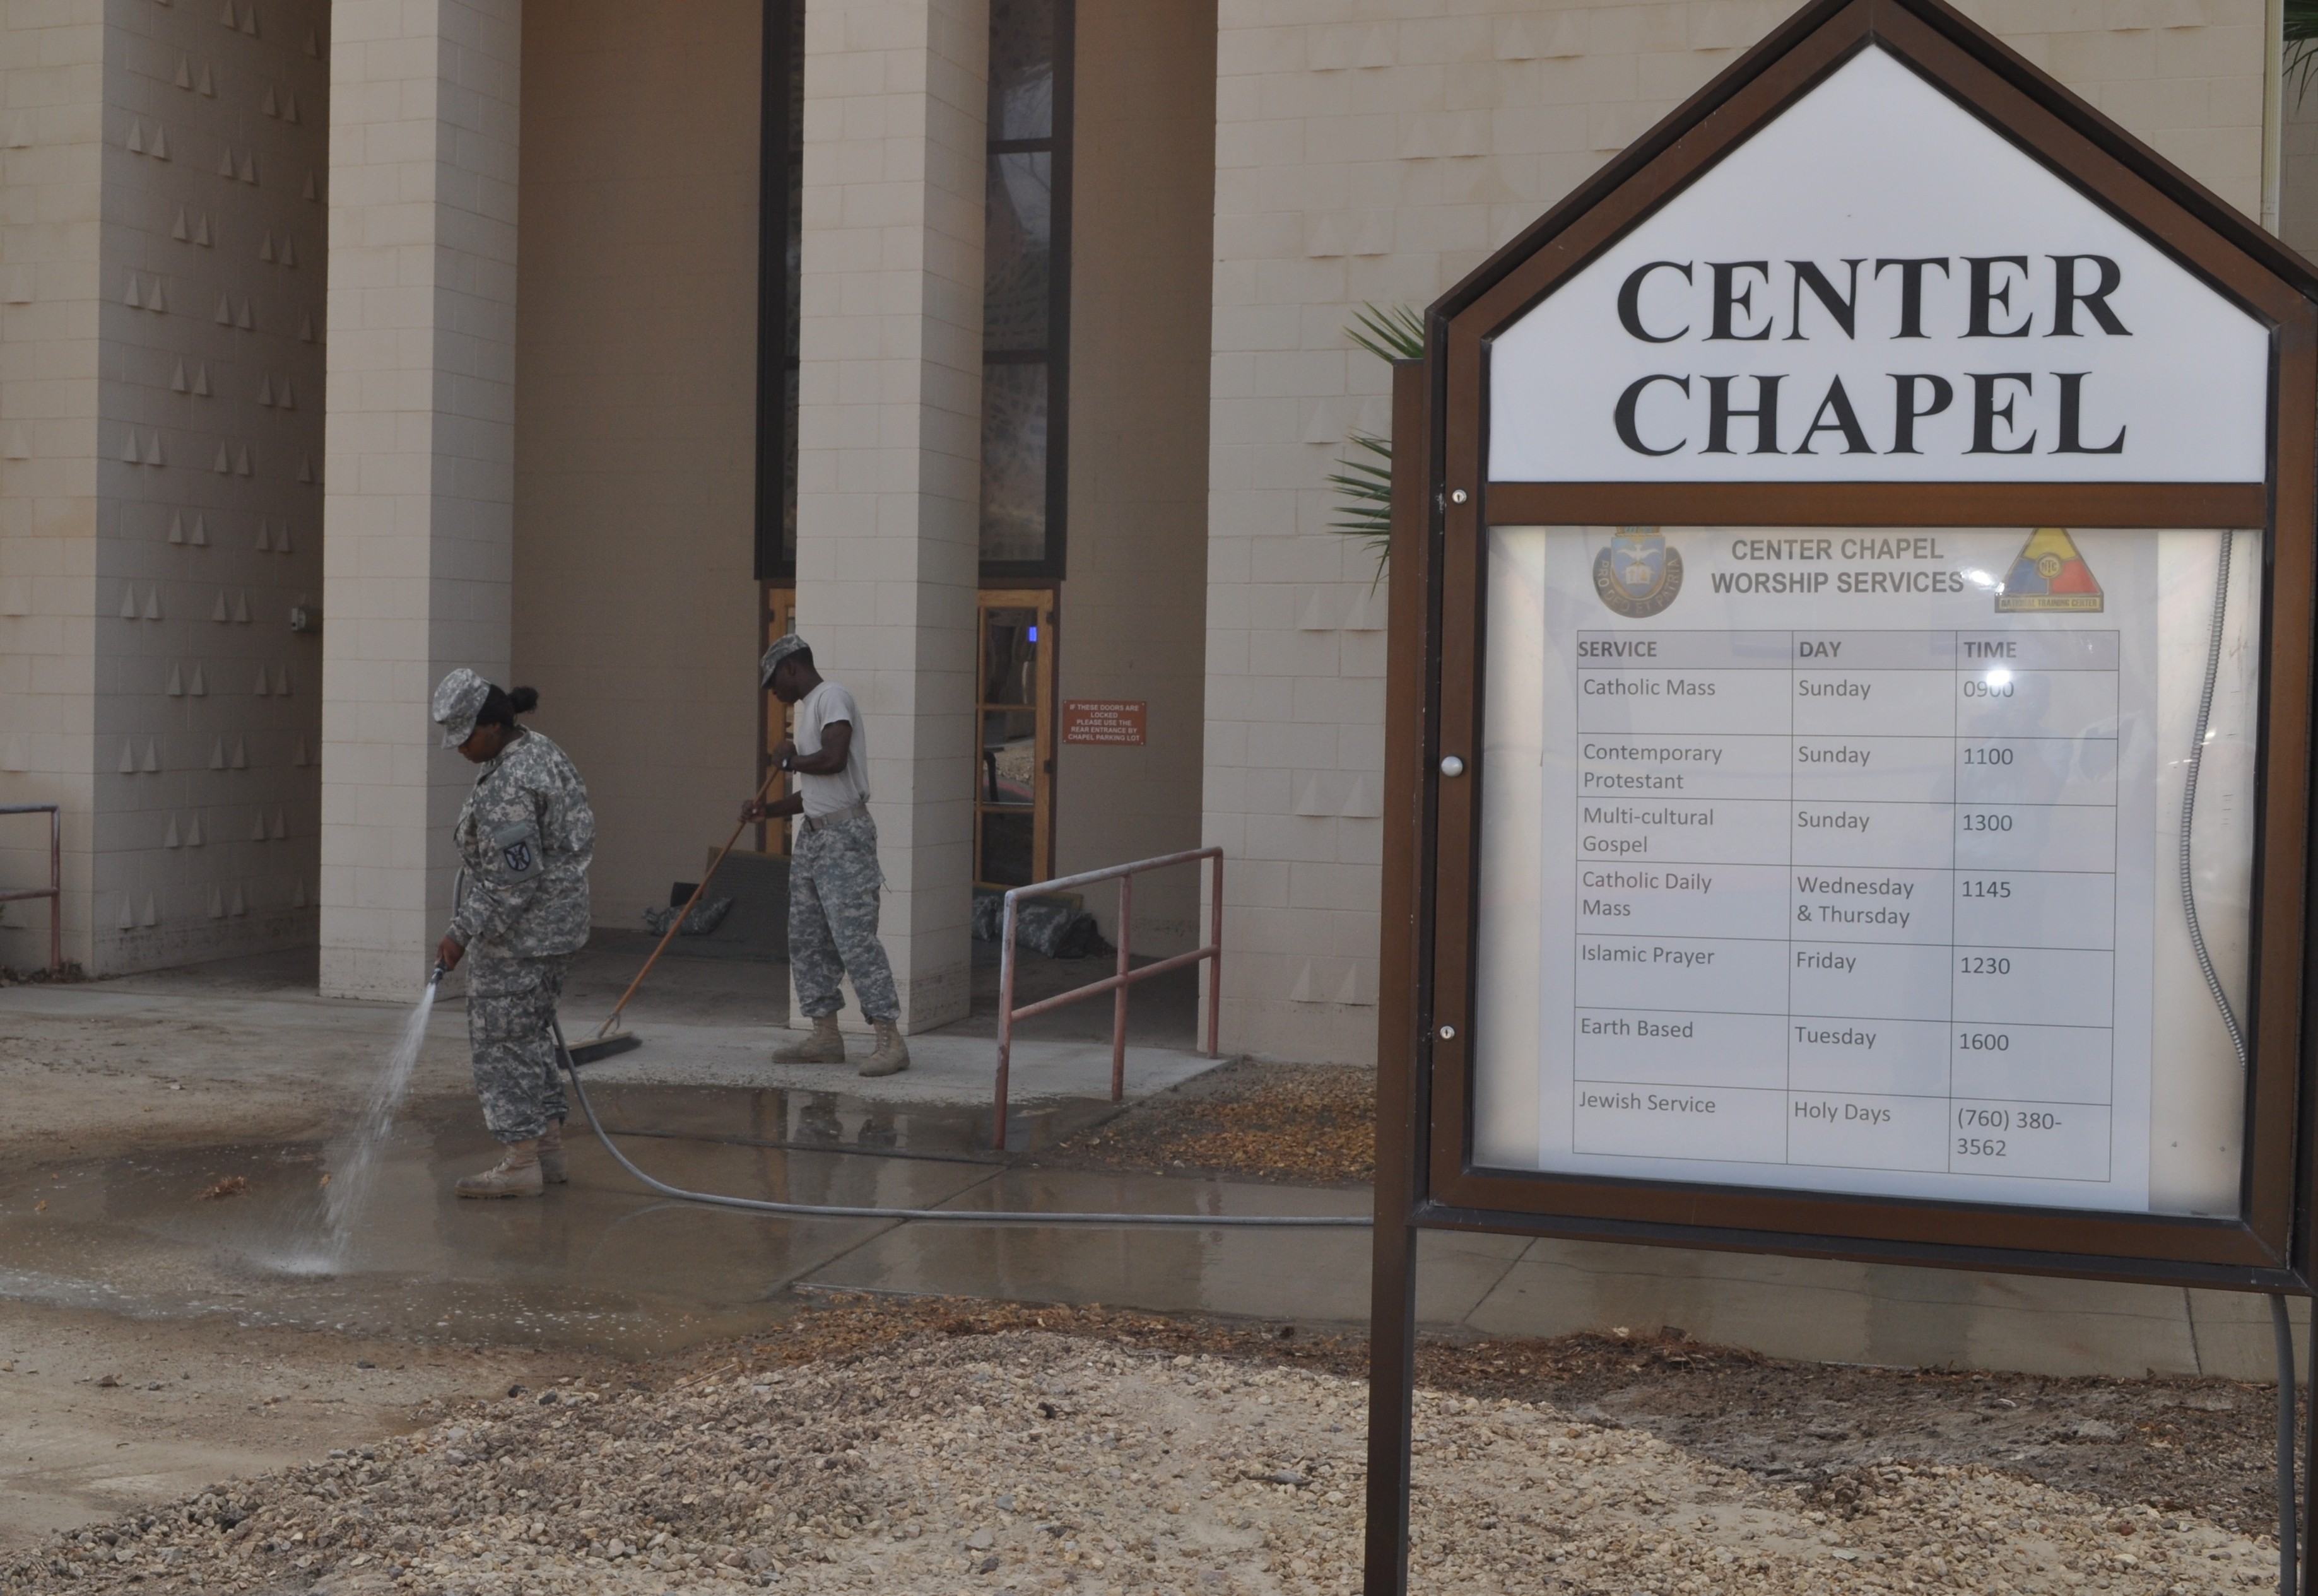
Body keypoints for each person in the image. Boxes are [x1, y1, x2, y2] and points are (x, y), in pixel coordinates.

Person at [430, 669, 597, 1198]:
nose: (459, 750)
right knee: (528, 1037)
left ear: (495, 725)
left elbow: (512, 881)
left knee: (502, 1041)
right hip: (556, 928)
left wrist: (460, 933)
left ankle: (522, 1159)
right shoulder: (540, 750)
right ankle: (546, 1152)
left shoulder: (508, 782)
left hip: (522, 933)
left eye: (465, 737)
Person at [742, 634, 909, 1076]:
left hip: (844, 839)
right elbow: (816, 794)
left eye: (773, 682)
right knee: (807, 937)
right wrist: (769, 810)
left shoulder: (831, 696)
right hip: (815, 838)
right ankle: (825, 1035)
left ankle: (891, 1039)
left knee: (854, 939)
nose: (774, 692)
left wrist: (788, 762)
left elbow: (834, 760)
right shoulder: (808, 709)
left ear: (791, 668)